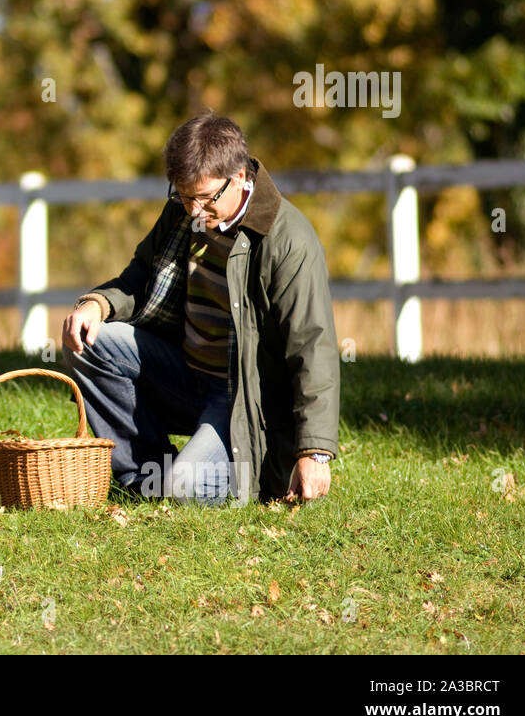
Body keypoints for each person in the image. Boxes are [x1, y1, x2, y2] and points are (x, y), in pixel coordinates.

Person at [61, 113, 339, 505]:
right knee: (90, 339)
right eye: (184, 197)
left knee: (184, 489)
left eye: (206, 198)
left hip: (244, 401)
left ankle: (197, 476)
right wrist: (97, 303)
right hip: (185, 375)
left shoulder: (288, 240)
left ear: (241, 176)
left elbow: (313, 348)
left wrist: (314, 452)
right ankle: (141, 480)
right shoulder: (183, 212)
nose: (194, 211)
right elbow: (140, 278)